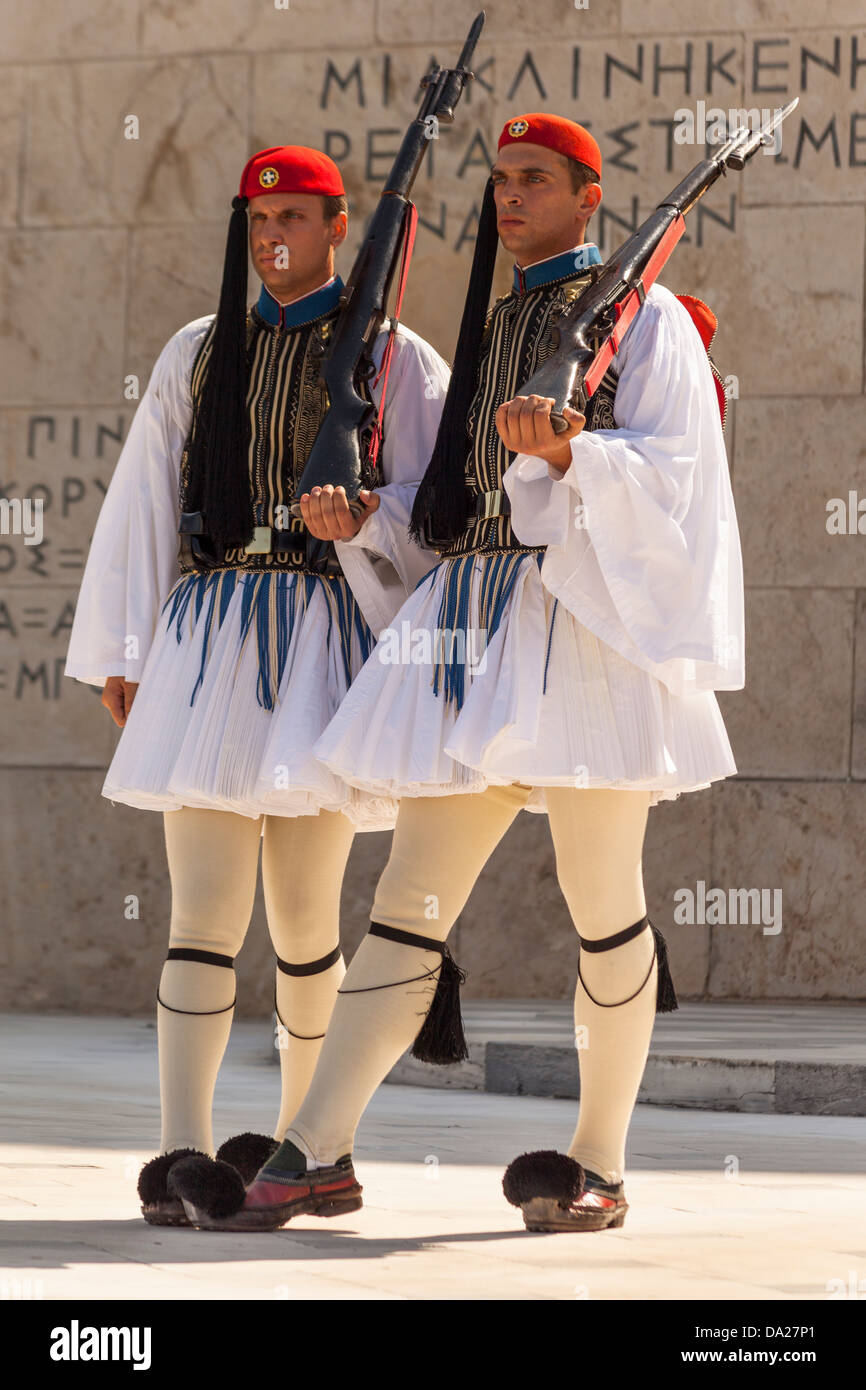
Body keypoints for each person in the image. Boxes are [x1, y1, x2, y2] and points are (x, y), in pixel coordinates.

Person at [170, 113, 743, 1234]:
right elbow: (442, 496)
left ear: (588, 199)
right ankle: (315, 1149)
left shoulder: (648, 318)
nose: (508, 197)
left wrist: (577, 450)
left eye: (534, 181)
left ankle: (597, 1161)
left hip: (583, 624)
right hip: (472, 619)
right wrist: (365, 513)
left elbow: (682, 473)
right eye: (499, 180)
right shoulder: (490, 332)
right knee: (407, 902)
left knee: (600, 897)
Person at [64, 144, 449, 1225]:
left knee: (302, 922)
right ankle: (179, 1153)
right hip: (206, 639)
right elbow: (143, 500)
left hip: (322, 639)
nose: (273, 235)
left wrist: (364, 516)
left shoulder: (393, 357)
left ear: (336, 228)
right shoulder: (199, 349)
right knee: (199, 914)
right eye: (258, 218)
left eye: (294, 216)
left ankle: (302, 1147)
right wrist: (126, 647)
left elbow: (435, 508)